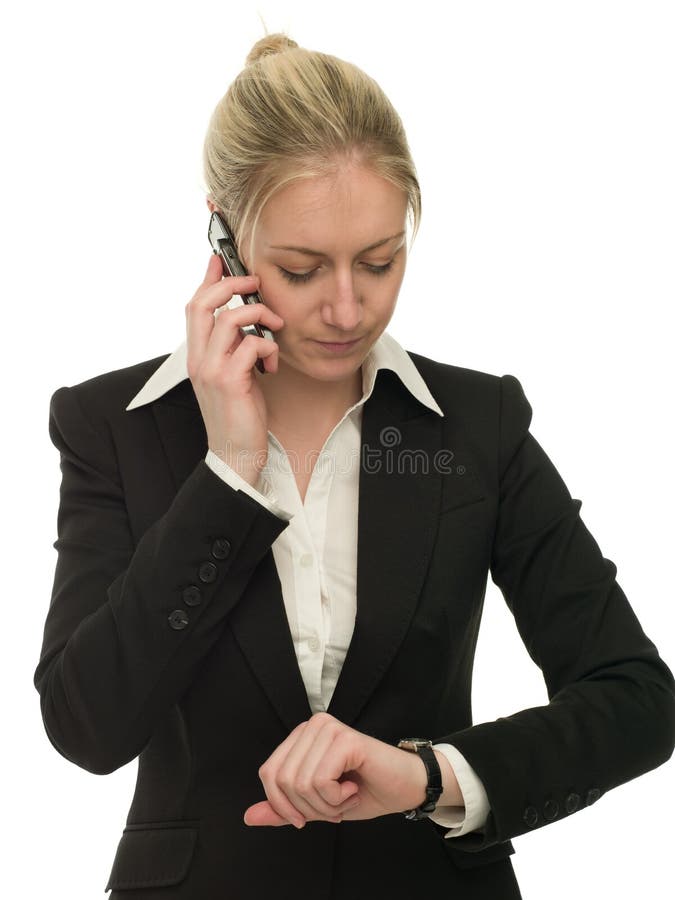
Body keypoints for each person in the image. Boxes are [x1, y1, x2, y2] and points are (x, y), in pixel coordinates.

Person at [34, 32, 675, 900]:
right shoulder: (113, 426)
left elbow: (635, 699)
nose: (347, 308)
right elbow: (87, 727)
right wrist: (230, 471)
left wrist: (427, 776)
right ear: (224, 235)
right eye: (302, 270)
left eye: (379, 261)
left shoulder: (475, 425)